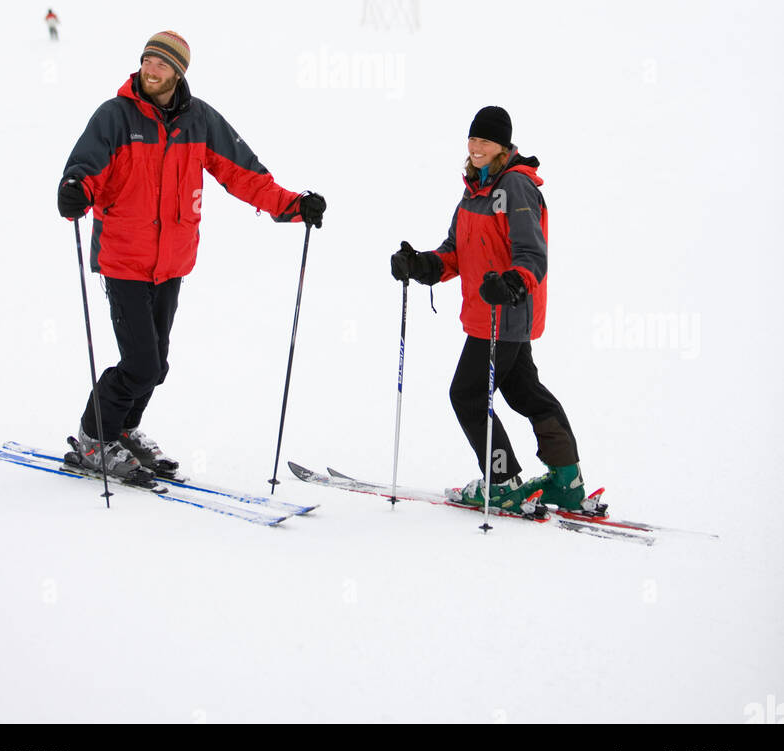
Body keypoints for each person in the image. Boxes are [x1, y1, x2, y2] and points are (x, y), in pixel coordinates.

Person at [57, 31, 327, 484]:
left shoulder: (199, 120)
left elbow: (244, 173)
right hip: (124, 259)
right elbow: (87, 166)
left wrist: (292, 205)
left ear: (178, 71)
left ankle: (122, 429)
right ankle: (92, 438)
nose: (151, 68)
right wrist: (76, 189)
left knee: (155, 365)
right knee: (141, 363)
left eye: (162, 63)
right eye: (147, 59)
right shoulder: (115, 116)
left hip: (172, 261)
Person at [390, 105, 586, 514]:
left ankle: (502, 481)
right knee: (525, 392)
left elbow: (532, 254)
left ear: (502, 146)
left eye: (486, 141)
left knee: (467, 395)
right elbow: (454, 254)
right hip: (485, 313)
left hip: (505, 313)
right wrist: (421, 265)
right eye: (473, 139)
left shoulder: (514, 186)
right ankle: (567, 481)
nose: (477, 147)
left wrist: (513, 282)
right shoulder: (474, 189)